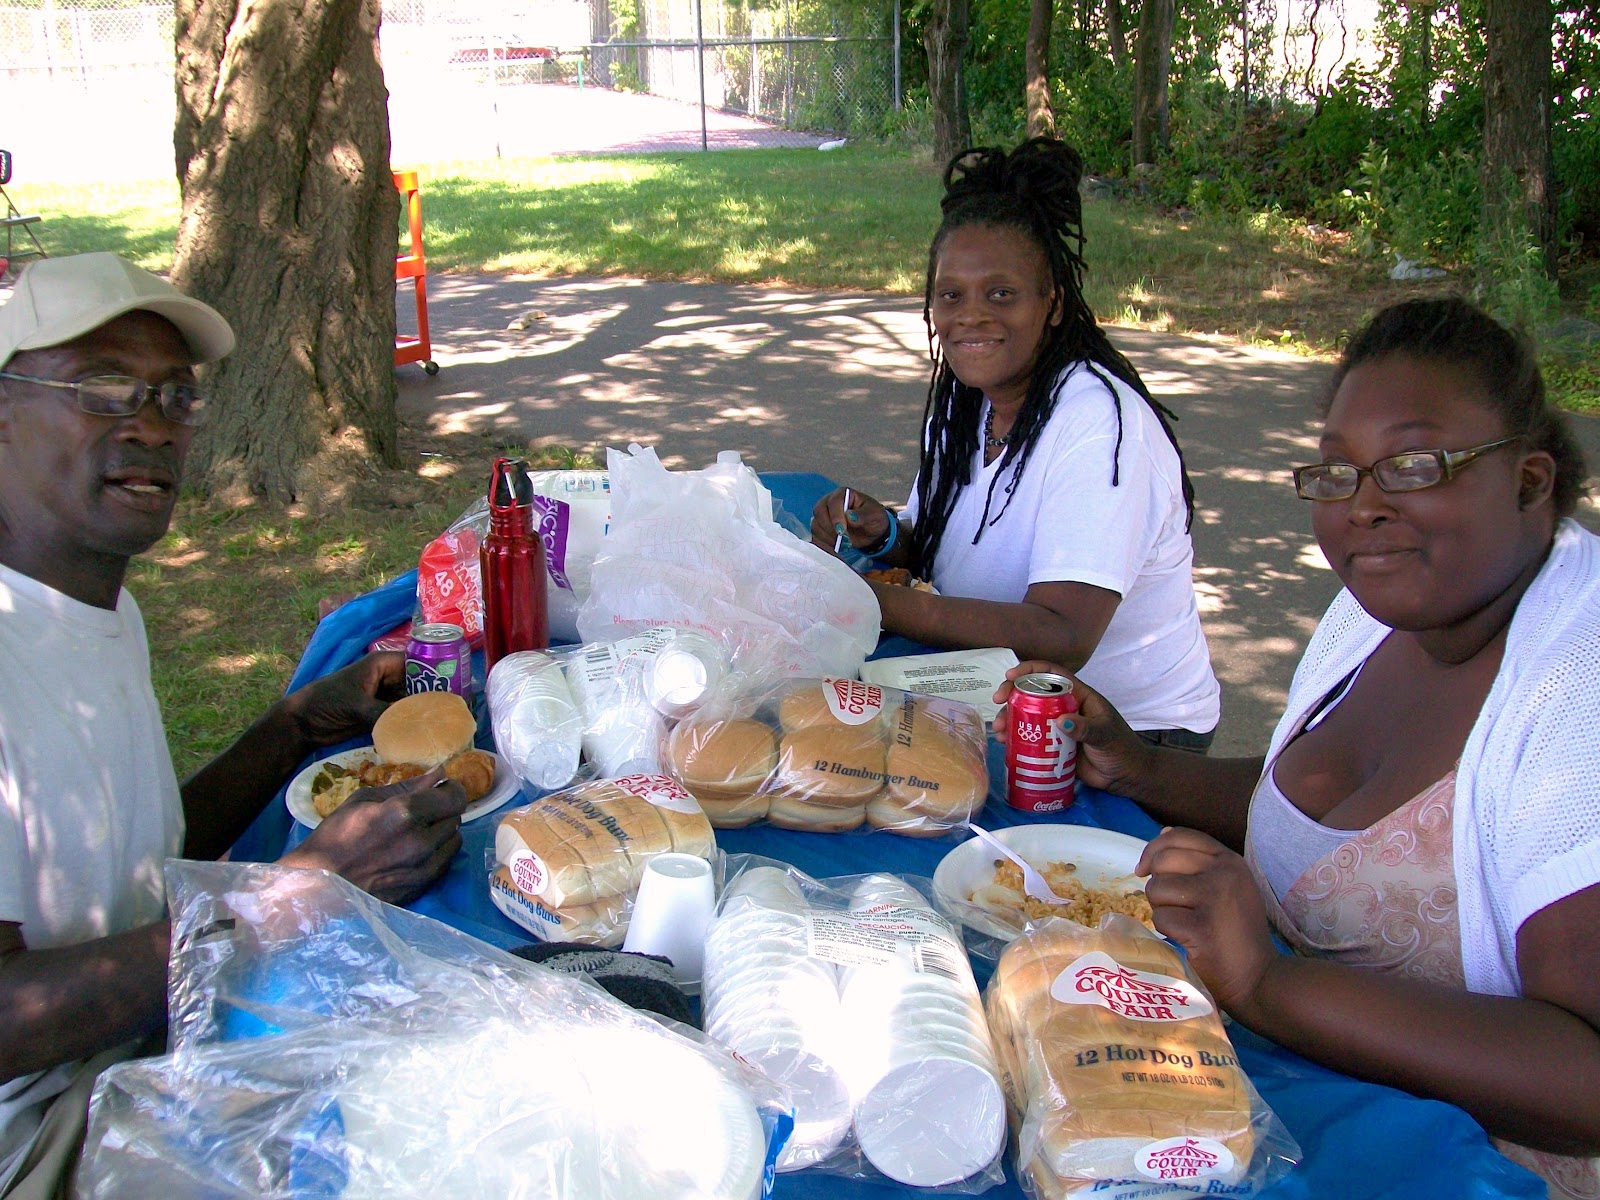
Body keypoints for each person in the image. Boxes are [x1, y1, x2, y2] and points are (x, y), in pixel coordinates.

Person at [995, 297, 1600, 1197]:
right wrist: (1141, 767)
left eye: (1411, 466)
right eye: (1338, 473)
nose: (1364, 508)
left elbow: (1586, 1079)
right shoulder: (1377, 610)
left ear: (1530, 480)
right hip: (1247, 1099)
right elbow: (1322, 829)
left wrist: (1265, 985)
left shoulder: (1576, 690)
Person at [0, 253, 471, 1197]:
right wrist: (288, 895)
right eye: (101, 390)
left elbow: (128, 870)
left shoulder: (93, 607)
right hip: (52, 1139)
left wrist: (296, 726)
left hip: (151, 1040)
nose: (152, 426)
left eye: (176, 398)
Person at [811, 137, 1219, 750]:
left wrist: (871, 603)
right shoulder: (964, 400)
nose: (971, 315)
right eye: (951, 295)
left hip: (1128, 737)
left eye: (1001, 293)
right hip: (989, 691)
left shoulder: (1098, 424)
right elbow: (942, 551)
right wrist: (885, 535)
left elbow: (1060, 635)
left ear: (1051, 304)